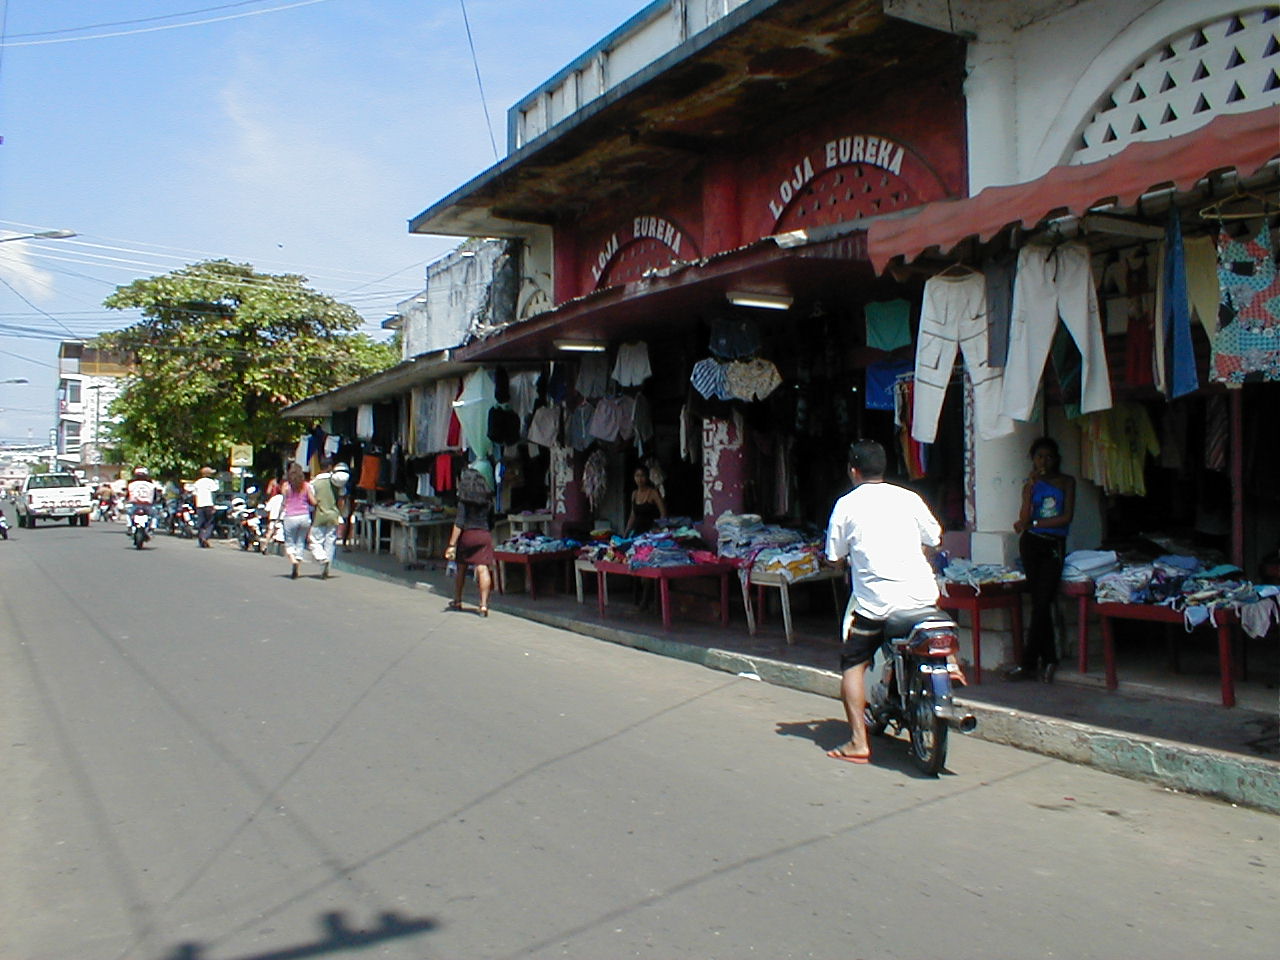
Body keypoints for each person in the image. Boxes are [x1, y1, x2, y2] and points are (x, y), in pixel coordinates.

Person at [824, 440, 942, 764]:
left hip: (876, 605)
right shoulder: (909, 498)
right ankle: (950, 671)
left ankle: (859, 743)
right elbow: (934, 539)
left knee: (853, 664)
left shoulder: (846, 505)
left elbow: (834, 556)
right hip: (921, 596)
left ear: (853, 471)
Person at [1008, 436, 1075, 684]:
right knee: (1038, 601)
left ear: (1056, 458)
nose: (1043, 461)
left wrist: (1035, 523)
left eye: (1048, 456)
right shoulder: (1030, 484)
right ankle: (1048, 660)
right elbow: (1023, 517)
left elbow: (1066, 517)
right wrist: (1030, 490)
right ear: (1033, 460)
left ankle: (1028, 662)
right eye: (1039, 457)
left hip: (1053, 544)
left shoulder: (1067, 482)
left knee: (1043, 601)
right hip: (1031, 543)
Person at [445, 467, 496, 616]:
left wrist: (452, 544)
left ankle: (458, 600)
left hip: (467, 535)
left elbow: (459, 523)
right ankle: (484, 605)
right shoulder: (488, 500)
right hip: (484, 534)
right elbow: (492, 520)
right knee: (482, 568)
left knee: (461, 568)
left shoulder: (464, 500)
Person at [308, 459, 349, 579]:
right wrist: (340, 513)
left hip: (319, 516)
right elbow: (342, 500)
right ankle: (326, 569)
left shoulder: (314, 483)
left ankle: (321, 558)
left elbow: (311, 502)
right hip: (334, 515)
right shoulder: (336, 481)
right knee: (330, 543)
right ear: (330, 467)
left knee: (315, 541)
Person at [280, 461, 316, 579]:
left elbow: (284, 502)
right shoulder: (306, 486)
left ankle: (293, 560)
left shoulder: (286, 486)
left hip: (290, 516)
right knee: (300, 541)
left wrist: (278, 516)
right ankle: (298, 563)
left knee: (289, 542)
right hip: (304, 516)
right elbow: (313, 501)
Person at [624, 464, 667, 536]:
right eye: (637, 476)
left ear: (647, 477)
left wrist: (661, 528)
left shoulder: (653, 493)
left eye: (642, 476)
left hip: (651, 532)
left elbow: (663, 513)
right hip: (637, 532)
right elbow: (633, 515)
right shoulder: (634, 494)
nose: (639, 479)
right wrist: (626, 532)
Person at [188, 466, 219, 548]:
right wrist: (214, 505)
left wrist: (195, 505)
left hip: (200, 505)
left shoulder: (197, 483)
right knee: (210, 523)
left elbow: (194, 495)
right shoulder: (211, 482)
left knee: (201, 523)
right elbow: (214, 493)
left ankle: (201, 537)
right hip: (209, 504)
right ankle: (205, 537)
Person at [125, 467, 162, 532]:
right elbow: (155, 496)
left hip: (135, 505)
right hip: (148, 506)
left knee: (128, 513)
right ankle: (152, 528)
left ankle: (129, 526)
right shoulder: (151, 485)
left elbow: (127, 495)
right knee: (155, 515)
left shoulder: (131, 484)